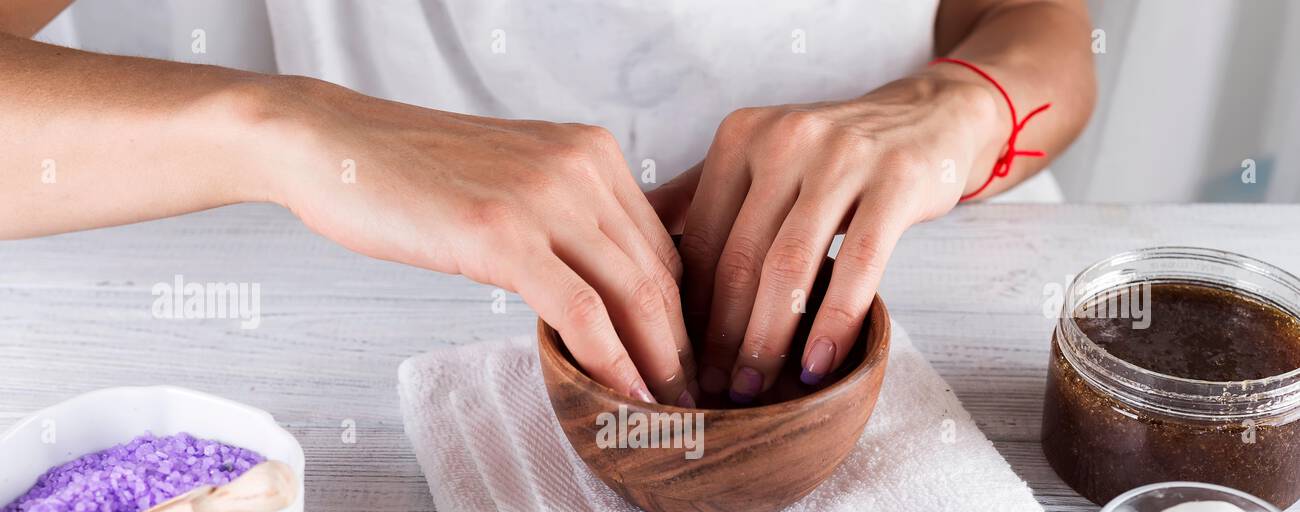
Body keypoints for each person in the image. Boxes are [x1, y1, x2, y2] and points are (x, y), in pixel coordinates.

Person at [1, 0, 1095, 405]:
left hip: (953, 291)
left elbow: (1042, 28)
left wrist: (963, 109)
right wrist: (282, 130)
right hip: (362, 336)